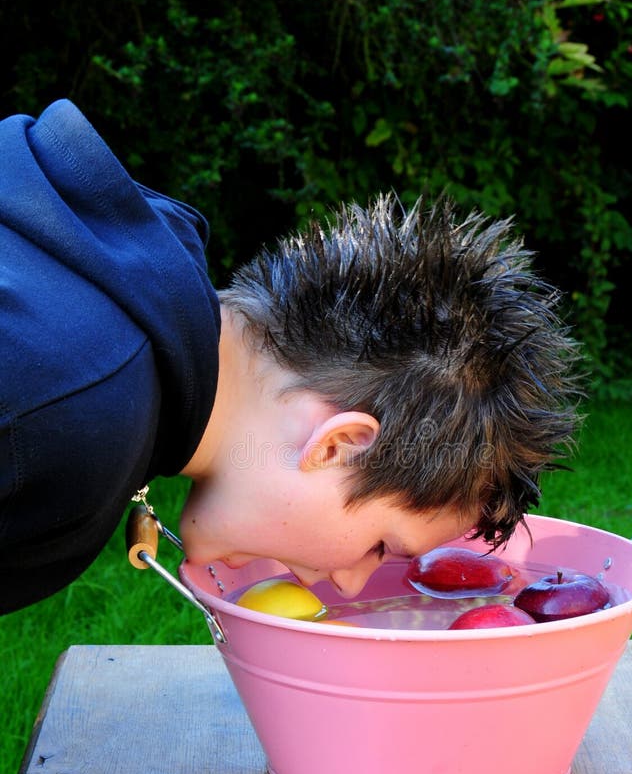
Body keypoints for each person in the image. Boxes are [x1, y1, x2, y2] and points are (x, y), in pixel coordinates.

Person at [0, 99, 582, 614]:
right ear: (336, 444)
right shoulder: (56, 419)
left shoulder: (123, 258)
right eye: (381, 546)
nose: (352, 585)